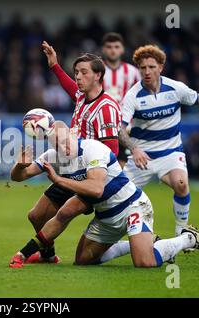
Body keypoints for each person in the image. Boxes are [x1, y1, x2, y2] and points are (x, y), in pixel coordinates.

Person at [9, 121, 199, 268]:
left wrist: (58, 180)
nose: (63, 148)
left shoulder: (93, 149)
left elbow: (96, 188)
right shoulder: (54, 156)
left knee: (144, 262)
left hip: (132, 207)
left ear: (73, 133)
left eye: (65, 142)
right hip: (105, 218)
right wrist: (20, 165)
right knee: (82, 261)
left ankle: (187, 238)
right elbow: (19, 176)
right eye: (56, 145)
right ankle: (137, 243)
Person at [14, 43, 121, 265]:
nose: (78, 78)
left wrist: (94, 178)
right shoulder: (82, 97)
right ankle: (48, 255)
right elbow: (69, 87)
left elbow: (112, 151)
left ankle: (25, 254)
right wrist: (54, 66)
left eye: (84, 73)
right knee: (36, 216)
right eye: (76, 73)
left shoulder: (107, 108)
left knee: (64, 213)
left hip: (92, 173)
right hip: (70, 166)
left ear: (98, 75)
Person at [118, 45, 199, 237]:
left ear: (161, 67)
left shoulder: (176, 88)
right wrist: (134, 149)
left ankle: (181, 230)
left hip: (170, 152)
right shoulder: (132, 96)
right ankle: (117, 238)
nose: (147, 72)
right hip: (141, 156)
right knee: (119, 200)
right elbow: (119, 129)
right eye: (143, 68)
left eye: (151, 67)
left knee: (181, 183)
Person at [101, 32, 140, 167]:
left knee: (121, 167)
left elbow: (140, 97)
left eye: (116, 47)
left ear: (122, 49)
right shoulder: (97, 71)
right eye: (109, 47)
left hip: (125, 127)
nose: (113, 50)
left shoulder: (133, 72)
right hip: (102, 126)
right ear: (104, 49)